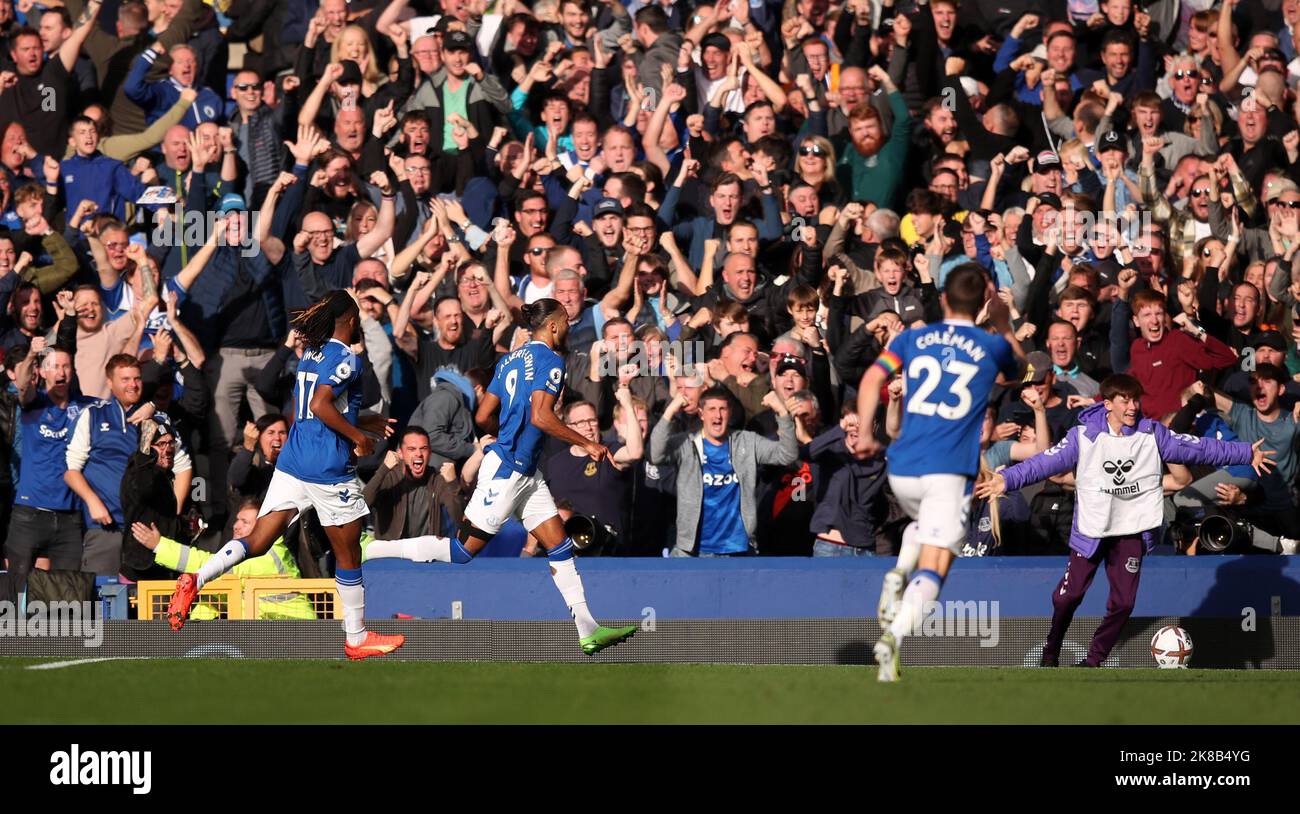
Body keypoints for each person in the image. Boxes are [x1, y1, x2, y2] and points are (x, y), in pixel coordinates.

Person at [374, 299, 637, 656]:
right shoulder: (552, 361)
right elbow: (543, 417)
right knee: (461, 551)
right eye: (566, 322)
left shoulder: (510, 359)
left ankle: (588, 629)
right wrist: (587, 442)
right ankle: (374, 548)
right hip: (509, 471)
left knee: (559, 546)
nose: (570, 328)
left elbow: (483, 415)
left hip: (526, 471)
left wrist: (508, 432)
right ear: (554, 326)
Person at [165, 290, 402, 660]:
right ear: (353, 321)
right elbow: (322, 405)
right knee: (349, 552)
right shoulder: (347, 358)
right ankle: (356, 639)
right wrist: (359, 438)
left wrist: (366, 421)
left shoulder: (313, 353)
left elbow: (315, 406)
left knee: (257, 541)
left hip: (293, 460)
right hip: (325, 468)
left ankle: (196, 579)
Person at [979, 374, 1275, 667]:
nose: (1133, 406)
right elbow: (1043, 463)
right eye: (1125, 400)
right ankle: (1051, 649)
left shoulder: (1152, 433)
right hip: (1092, 530)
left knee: (1123, 603)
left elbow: (1196, 446)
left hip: (1130, 531)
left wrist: (1245, 452)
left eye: (1136, 399)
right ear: (1108, 404)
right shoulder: (1082, 436)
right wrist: (1006, 480)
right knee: (1068, 598)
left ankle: (1094, 661)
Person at [853, 264, 1023, 682]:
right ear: (983, 300)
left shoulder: (912, 336)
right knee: (937, 567)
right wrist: (1003, 321)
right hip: (949, 471)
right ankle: (893, 636)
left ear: (942, 298)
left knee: (920, 526)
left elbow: (873, 376)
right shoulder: (989, 344)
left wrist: (865, 430)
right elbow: (1018, 368)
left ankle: (897, 571)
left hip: (903, 466)